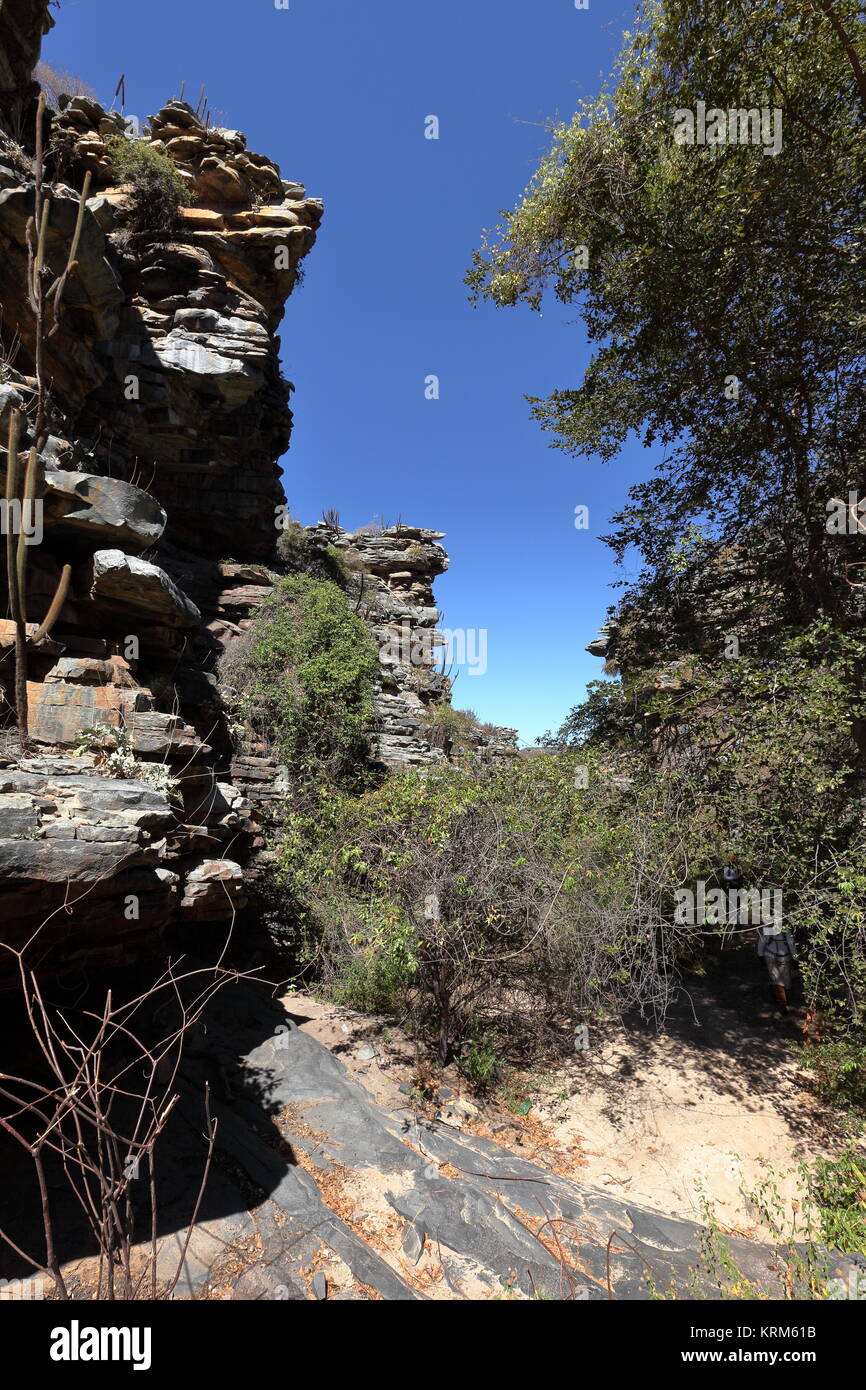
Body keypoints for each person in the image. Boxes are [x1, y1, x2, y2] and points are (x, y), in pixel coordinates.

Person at [757, 922, 798, 1013]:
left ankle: (778, 995)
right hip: (771, 957)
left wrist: (795, 959)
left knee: (785, 982)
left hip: (782, 958)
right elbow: (792, 945)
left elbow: (791, 944)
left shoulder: (783, 928)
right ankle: (782, 1005)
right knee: (778, 982)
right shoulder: (783, 928)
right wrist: (796, 959)